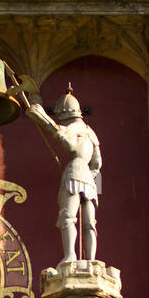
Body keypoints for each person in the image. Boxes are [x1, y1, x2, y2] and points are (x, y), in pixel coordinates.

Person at [20, 83, 102, 264]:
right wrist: (93, 177)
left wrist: (43, 119)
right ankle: (91, 260)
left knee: (68, 217)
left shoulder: (73, 128)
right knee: (90, 223)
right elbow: (97, 163)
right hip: (89, 179)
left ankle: (70, 256)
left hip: (74, 172)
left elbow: (70, 146)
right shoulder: (91, 132)